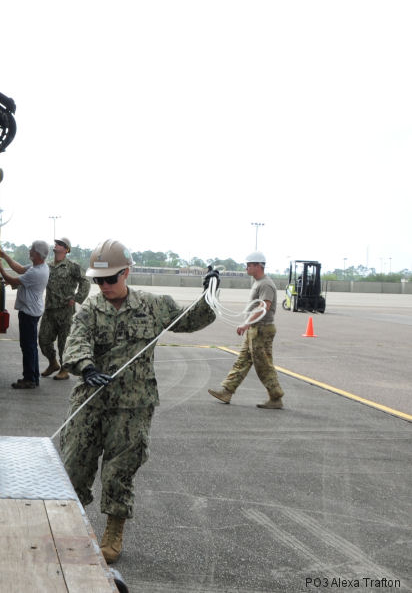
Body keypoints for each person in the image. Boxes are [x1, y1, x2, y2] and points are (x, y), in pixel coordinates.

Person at [60, 239, 219, 563]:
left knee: (119, 472)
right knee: (74, 466)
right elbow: (76, 342)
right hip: (91, 402)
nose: (103, 286)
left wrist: (210, 293)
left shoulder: (152, 305)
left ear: (126, 273)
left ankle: (113, 534)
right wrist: (87, 368)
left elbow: (190, 319)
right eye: (97, 280)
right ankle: (68, 528)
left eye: (110, 279)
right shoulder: (90, 309)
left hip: (133, 406)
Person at [208, 251, 285, 409]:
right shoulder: (257, 282)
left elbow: (264, 307)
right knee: (242, 361)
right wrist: (249, 324)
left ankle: (276, 397)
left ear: (258, 266)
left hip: (262, 329)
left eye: (249, 265)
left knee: (263, 364)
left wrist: (246, 324)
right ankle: (227, 391)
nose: (246, 268)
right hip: (255, 328)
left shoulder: (266, 284)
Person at [0, 241, 50, 389]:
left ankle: (29, 379)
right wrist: (5, 256)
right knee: (30, 346)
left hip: (29, 313)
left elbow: (14, 279)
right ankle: (33, 377)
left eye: (32, 249)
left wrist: (1, 269)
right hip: (32, 311)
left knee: (28, 346)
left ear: (38, 254)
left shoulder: (36, 272)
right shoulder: (39, 267)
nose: (29, 250)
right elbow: (19, 269)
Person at [39, 237, 91, 381]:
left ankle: (64, 369)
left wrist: (77, 298)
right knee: (43, 340)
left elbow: (85, 282)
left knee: (64, 343)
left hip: (65, 311)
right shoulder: (47, 266)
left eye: (60, 244)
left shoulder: (72, 266)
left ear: (66, 249)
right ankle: (53, 363)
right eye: (56, 243)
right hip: (50, 310)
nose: (57, 245)